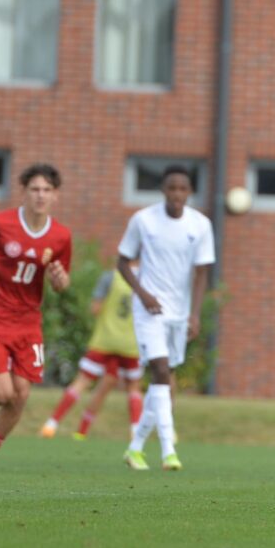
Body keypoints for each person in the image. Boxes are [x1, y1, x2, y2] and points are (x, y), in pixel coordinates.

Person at [0, 163, 72, 473]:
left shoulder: (61, 236)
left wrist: (60, 278)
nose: (40, 195)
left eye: (46, 190)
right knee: (0, 393)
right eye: (35, 189)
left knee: (20, 395)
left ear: (55, 196)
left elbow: (61, 284)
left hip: (27, 324)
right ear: (23, 192)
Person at [119, 166, 215, 471]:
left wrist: (195, 314)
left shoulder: (200, 225)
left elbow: (201, 273)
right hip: (148, 311)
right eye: (171, 188)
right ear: (163, 190)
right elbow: (122, 262)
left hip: (178, 313)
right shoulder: (144, 220)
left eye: (182, 189)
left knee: (164, 377)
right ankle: (167, 450)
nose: (176, 194)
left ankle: (135, 448)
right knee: (161, 371)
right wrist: (143, 293)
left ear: (189, 192)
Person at [40, 267, 143, 441]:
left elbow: (95, 308)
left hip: (105, 341)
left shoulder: (111, 277)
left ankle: (51, 425)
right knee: (133, 388)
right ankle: (135, 432)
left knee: (82, 382)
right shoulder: (147, 279)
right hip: (131, 344)